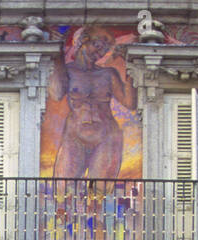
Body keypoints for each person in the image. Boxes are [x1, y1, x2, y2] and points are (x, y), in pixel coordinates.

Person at [49, 26, 136, 179]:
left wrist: (130, 66)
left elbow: (130, 103)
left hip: (106, 135)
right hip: (75, 134)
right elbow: (56, 93)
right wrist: (57, 55)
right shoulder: (68, 71)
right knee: (64, 189)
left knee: (99, 193)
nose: (101, 52)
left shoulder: (108, 74)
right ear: (83, 41)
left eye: (106, 49)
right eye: (98, 45)